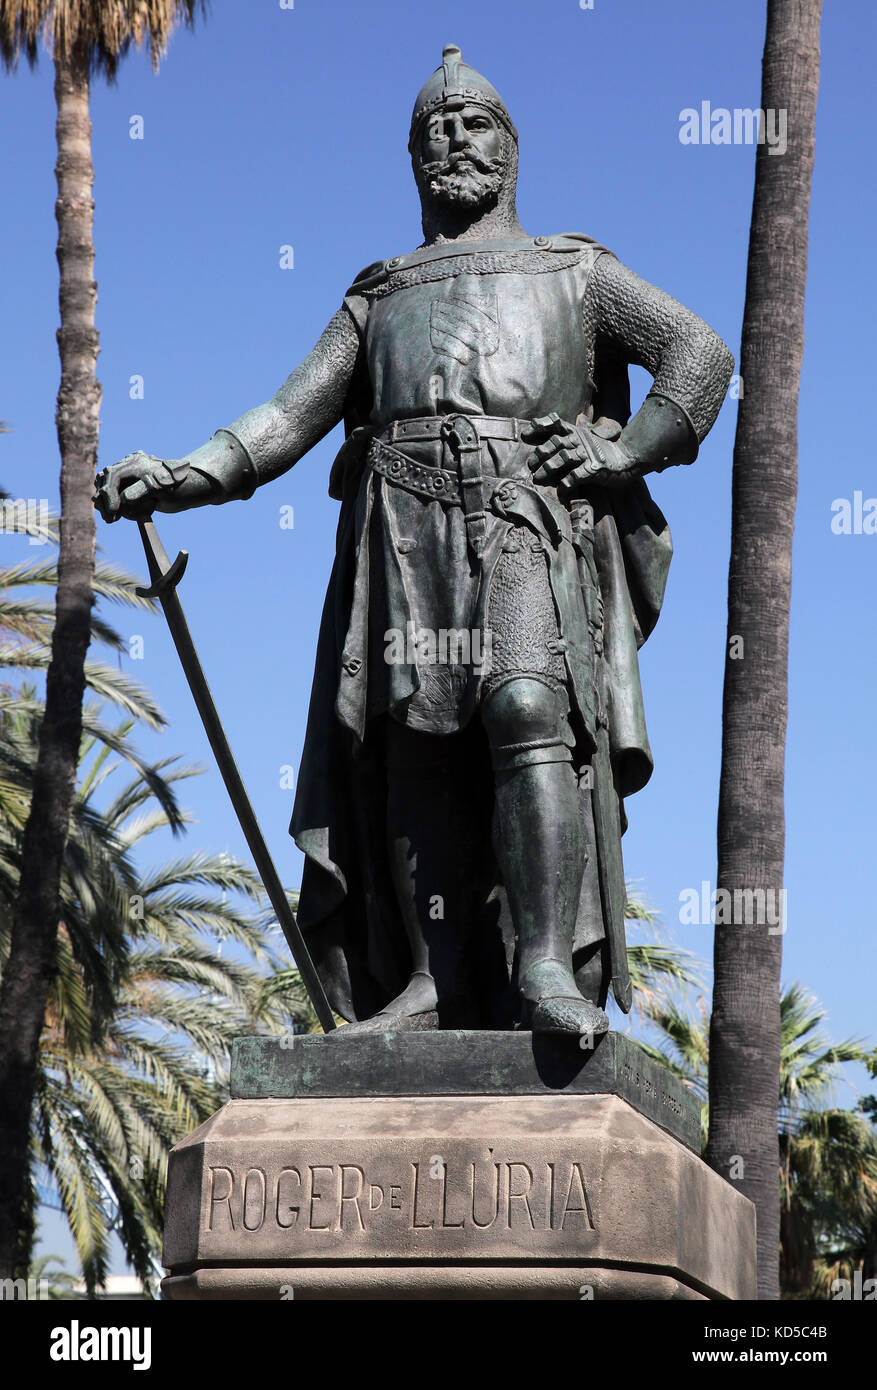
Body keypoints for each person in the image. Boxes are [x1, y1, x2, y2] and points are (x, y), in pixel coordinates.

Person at [95, 45, 733, 1041]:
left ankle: (544, 969)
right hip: (401, 531)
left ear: (510, 149)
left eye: (473, 122)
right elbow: (285, 416)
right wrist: (185, 473)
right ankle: (429, 982)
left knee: (525, 704)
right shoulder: (379, 295)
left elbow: (697, 353)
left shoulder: (574, 272)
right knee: (413, 749)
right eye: (432, 129)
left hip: (526, 515)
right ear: (412, 161)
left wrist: (625, 452)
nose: (451, 138)